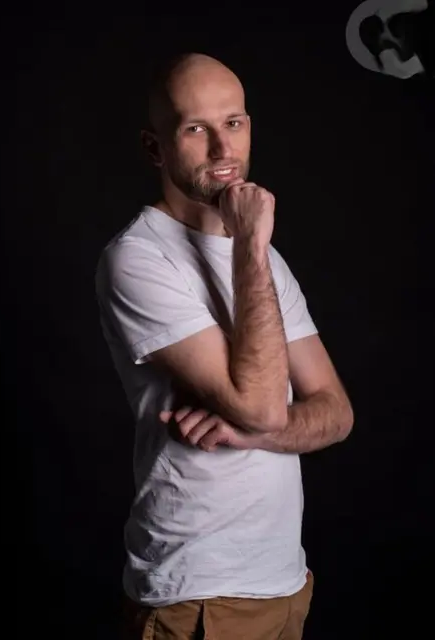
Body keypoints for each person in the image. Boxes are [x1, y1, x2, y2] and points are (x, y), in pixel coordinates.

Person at [95, 52, 354, 640]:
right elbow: (263, 405)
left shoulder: (264, 259)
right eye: (196, 128)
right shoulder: (137, 258)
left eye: (233, 123)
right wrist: (250, 245)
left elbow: (336, 412)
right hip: (199, 594)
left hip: (284, 582)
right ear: (155, 147)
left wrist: (250, 433)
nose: (222, 148)